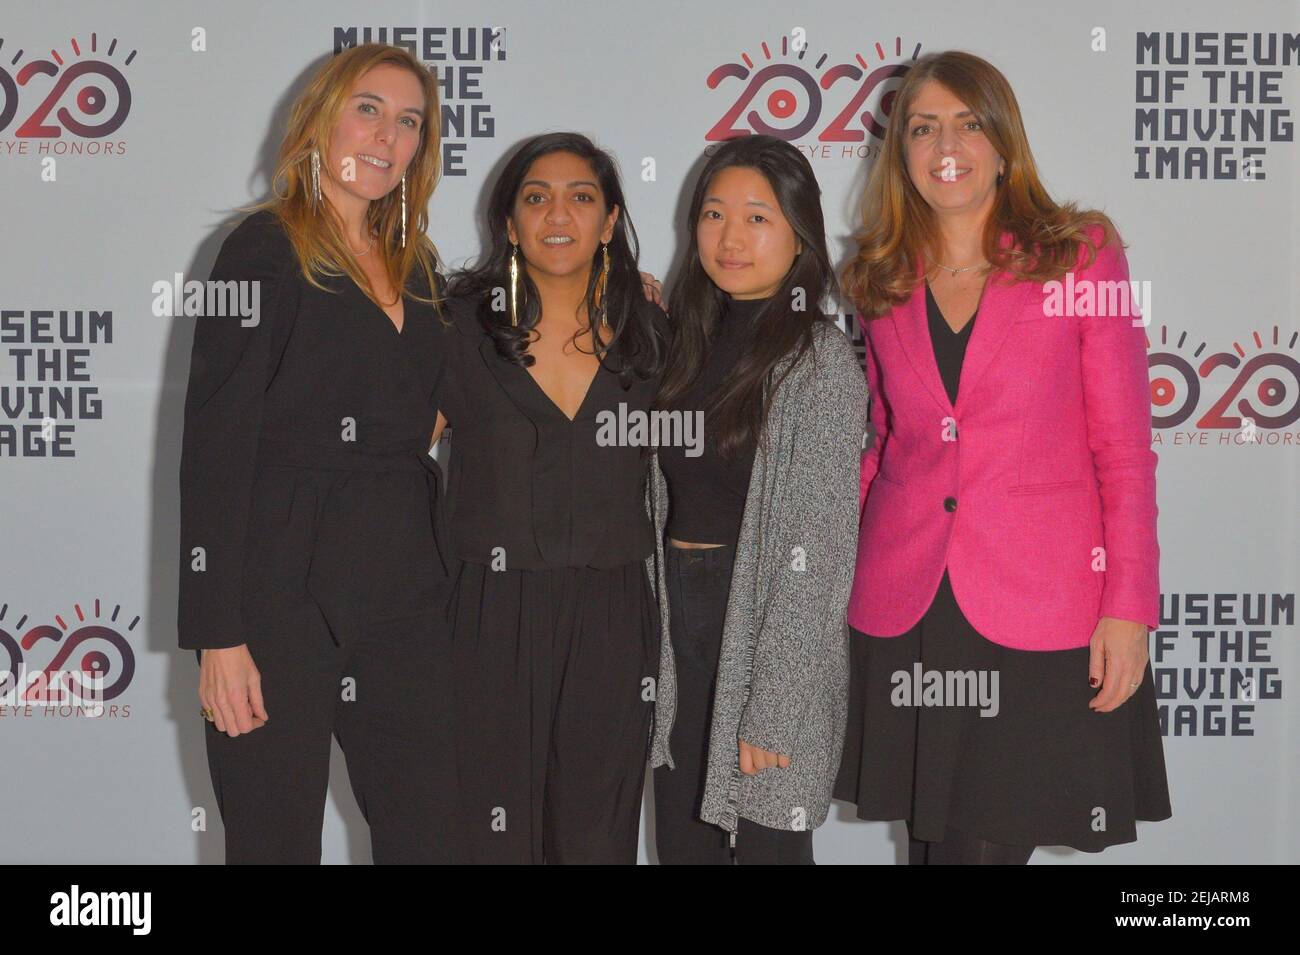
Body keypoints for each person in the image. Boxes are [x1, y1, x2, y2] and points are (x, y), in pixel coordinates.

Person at [834, 50, 1172, 863]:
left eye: (968, 121)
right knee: (930, 844)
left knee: (980, 846)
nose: (946, 143)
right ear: (900, 150)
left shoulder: (1081, 254)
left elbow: (1123, 447)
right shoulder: (878, 277)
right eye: (923, 127)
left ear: (1002, 138)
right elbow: (884, 442)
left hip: (1038, 612)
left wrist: (1128, 609)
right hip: (908, 601)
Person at [177, 43, 462, 863]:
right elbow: (214, 452)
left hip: (407, 591)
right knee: (274, 843)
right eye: (368, 108)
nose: (386, 136)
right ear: (320, 117)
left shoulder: (422, 269)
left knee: (433, 835)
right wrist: (218, 637)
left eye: (409, 122)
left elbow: (453, 398)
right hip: (278, 597)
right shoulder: (262, 251)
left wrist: (615, 287)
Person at [434, 132, 670, 864]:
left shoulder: (656, 331)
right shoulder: (451, 328)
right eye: (536, 197)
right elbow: (388, 459)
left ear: (610, 219)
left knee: (597, 840)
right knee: (484, 839)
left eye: (581, 197)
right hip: (481, 616)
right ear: (508, 222)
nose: (558, 214)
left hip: (613, 617)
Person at [648, 135, 869, 864]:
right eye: (713, 214)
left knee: (770, 839)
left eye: (756, 217)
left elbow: (820, 557)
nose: (730, 237)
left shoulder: (820, 364)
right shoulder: (675, 344)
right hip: (672, 621)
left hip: (763, 623)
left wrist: (774, 705)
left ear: (800, 233)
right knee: (685, 843)